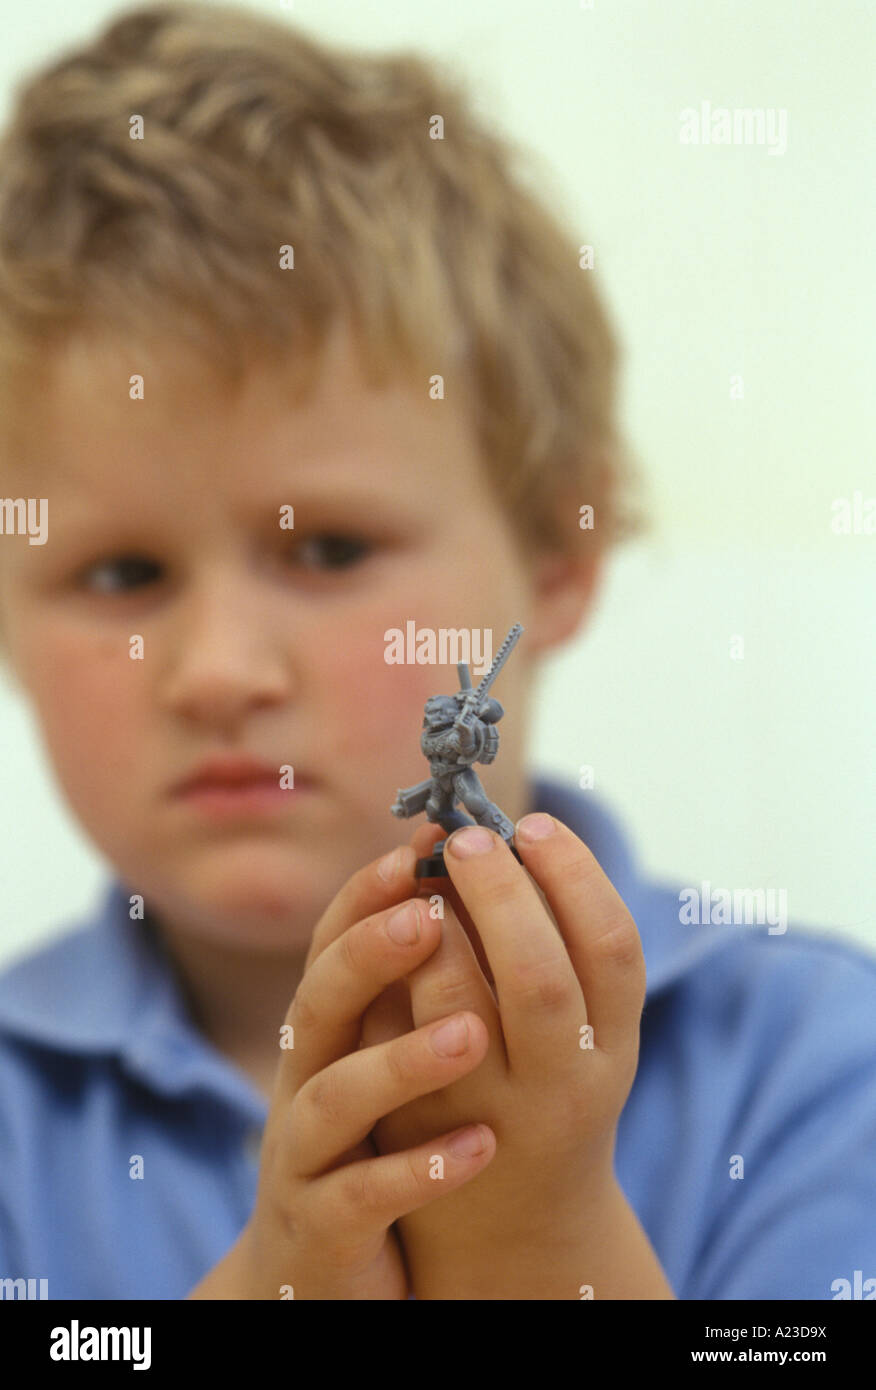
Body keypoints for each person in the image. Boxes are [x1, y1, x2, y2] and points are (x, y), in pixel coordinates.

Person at [0, 3, 873, 1300]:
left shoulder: (819, 1058)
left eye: (332, 550)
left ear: (559, 557)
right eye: (122, 574)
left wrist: (532, 1235)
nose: (222, 670)